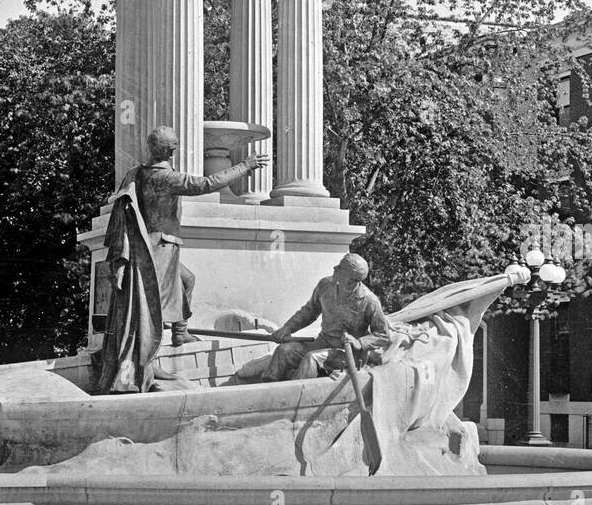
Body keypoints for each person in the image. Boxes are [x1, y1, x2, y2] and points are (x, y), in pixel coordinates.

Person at [120, 125, 270, 346]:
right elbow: (206, 184)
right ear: (166, 151)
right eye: (172, 148)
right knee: (154, 298)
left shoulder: (138, 173)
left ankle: (180, 333)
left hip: (151, 243)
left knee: (186, 280)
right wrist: (244, 166)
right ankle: (148, 345)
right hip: (159, 246)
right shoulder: (165, 177)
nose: (174, 152)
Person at [264, 254, 390, 382]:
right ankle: (265, 391)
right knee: (283, 351)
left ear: (352, 279)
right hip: (322, 343)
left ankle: (293, 398)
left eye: (340, 268)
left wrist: (359, 343)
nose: (335, 268)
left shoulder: (369, 301)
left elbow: (383, 335)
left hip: (347, 354)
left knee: (311, 359)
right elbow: (309, 311)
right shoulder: (325, 285)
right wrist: (288, 328)